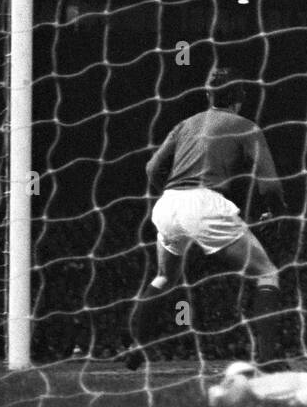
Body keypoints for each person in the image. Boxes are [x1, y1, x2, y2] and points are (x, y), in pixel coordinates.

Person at [120, 67, 287, 370]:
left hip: (168, 204)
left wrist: (171, 193)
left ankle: (137, 347)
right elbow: (270, 184)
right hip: (205, 203)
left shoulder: (185, 124)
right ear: (239, 98)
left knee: (165, 277)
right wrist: (277, 212)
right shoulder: (245, 126)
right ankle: (269, 359)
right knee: (267, 273)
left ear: (209, 95)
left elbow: (151, 168)